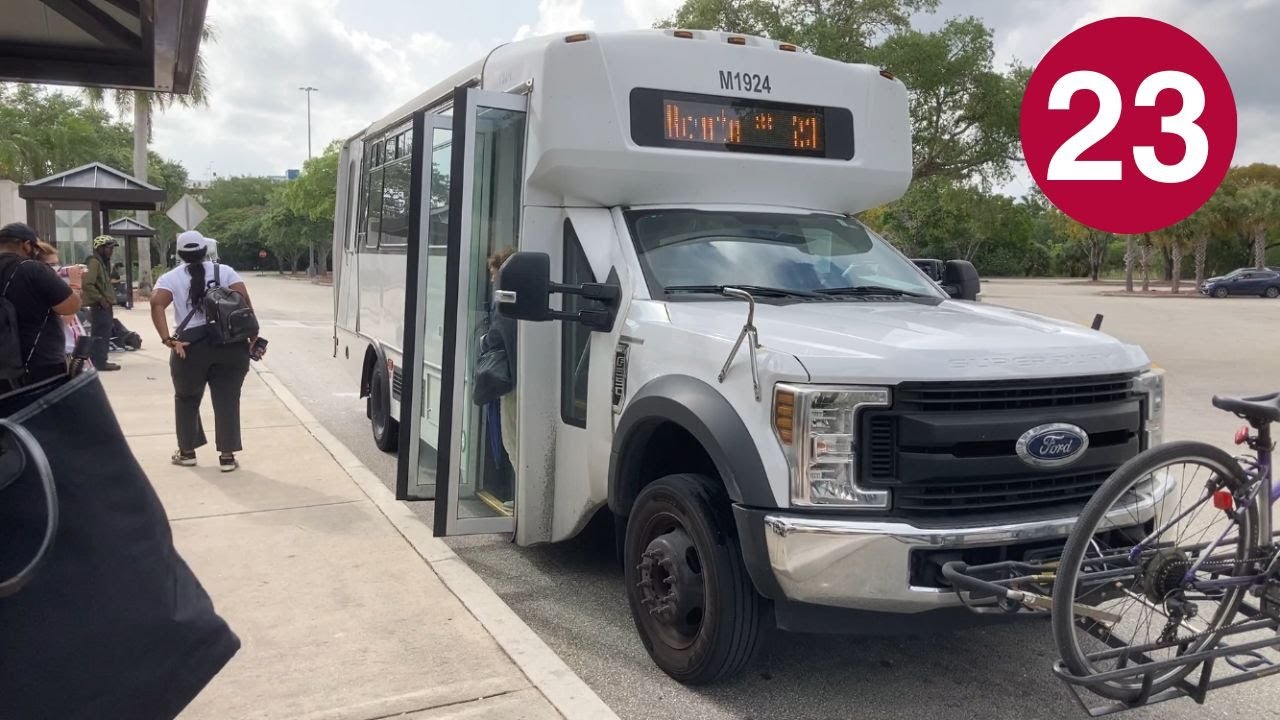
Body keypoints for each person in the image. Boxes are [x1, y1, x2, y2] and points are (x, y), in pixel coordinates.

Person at [149, 230, 255, 472]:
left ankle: (187, 452)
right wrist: (252, 335)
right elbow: (244, 301)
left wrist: (168, 340)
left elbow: (156, 304)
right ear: (205, 250)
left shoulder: (169, 278)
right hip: (230, 344)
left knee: (187, 398)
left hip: (190, 346)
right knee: (227, 399)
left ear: (179, 253)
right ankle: (227, 457)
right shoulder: (225, 272)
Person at [0, 223, 81, 388]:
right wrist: (75, 285)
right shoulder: (32, 269)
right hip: (40, 363)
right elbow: (69, 306)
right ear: (26, 245)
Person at [476, 247, 517, 505]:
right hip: (520, 376)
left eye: (494, 273)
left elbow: (497, 333)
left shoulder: (505, 298)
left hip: (510, 381)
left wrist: (483, 342)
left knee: (510, 436)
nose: (492, 279)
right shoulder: (523, 295)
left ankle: (520, 496)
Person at [35, 241, 88, 365]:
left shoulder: (53, 284)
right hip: (63, 351)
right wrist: (75, 285)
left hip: (70, 347)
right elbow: (64, 319)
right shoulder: (43, 289)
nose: (56, 269)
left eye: (57, 264)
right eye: (51, 265)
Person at [80, 235, 121, 372]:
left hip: (104, 305)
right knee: (100, 334)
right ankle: (99, 362)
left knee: (104, 333)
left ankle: (100, 360)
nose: (111, 251)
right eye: (109, 248)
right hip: (99, 305)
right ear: (100, 248)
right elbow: (87, 283)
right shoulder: (94, 262)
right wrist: (100, 299)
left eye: (112, 249)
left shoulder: (100, 262)